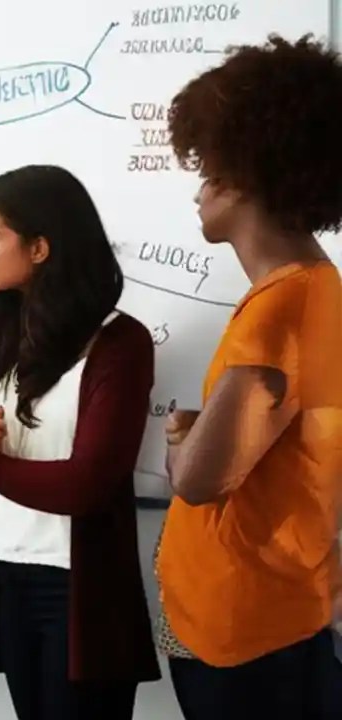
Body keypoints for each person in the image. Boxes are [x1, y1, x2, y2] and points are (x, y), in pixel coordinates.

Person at [0, 165, 161, 720]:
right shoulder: (9, 330)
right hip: (5, 575)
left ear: (39, 248)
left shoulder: (120, 342)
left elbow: (85, 486)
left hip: (77, 592)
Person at [154, 33, 342, 719]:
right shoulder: (321, 289)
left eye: (208, 168)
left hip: (242, 625)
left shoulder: (280, 308)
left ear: (243, 174)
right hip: (279, 608)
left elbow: (204, 479)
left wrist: (181, 441)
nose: (200, 189)